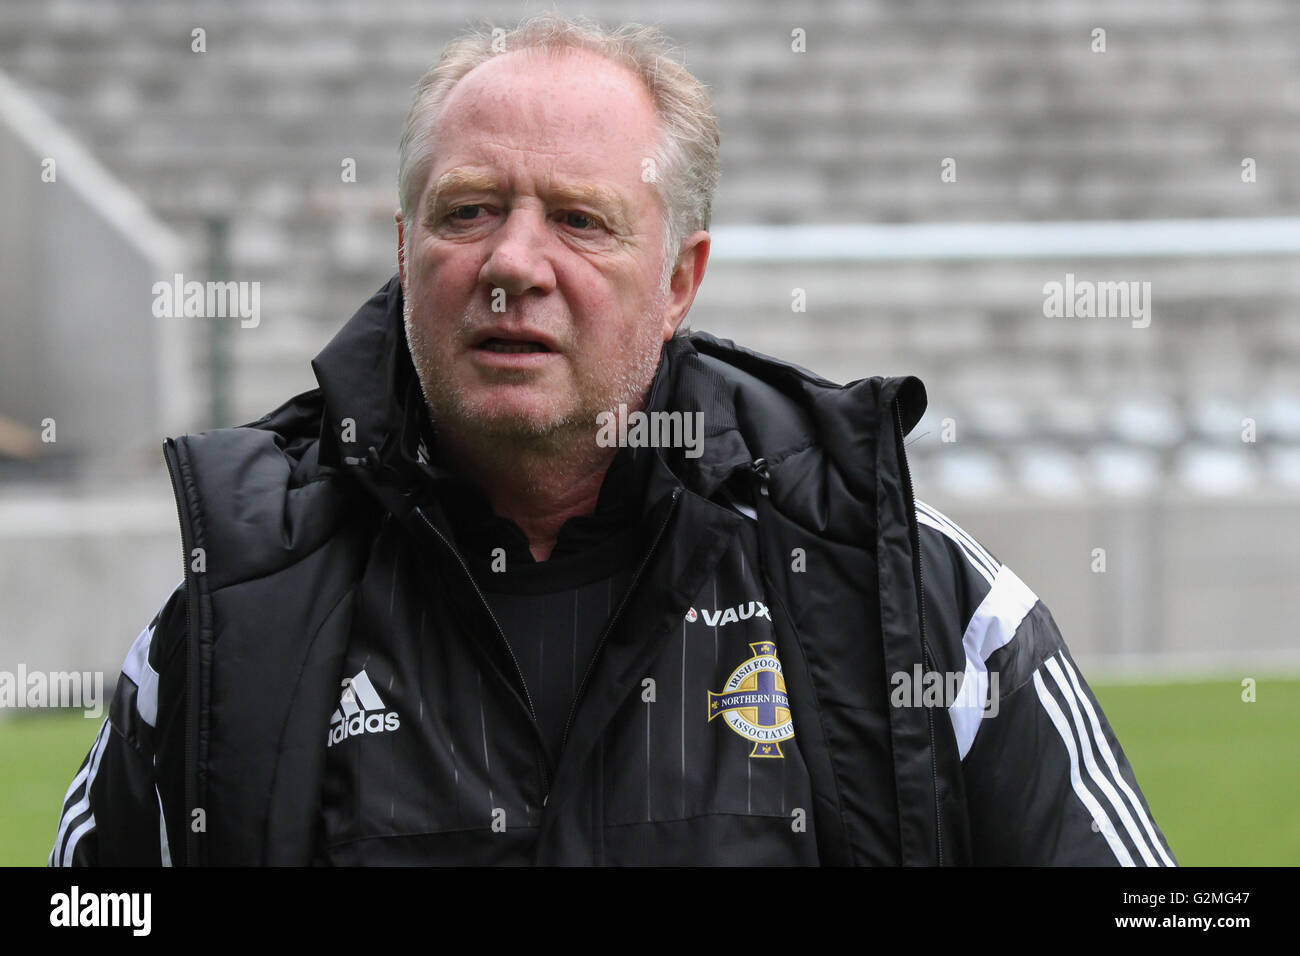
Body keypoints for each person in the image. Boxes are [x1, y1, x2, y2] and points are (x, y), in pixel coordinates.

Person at [50, 13, 1175, 866]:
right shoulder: (238, 613)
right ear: (405, 252)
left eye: (580, 220)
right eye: (467, 209)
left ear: (680, 277)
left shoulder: (900, 588)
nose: (511, 263)